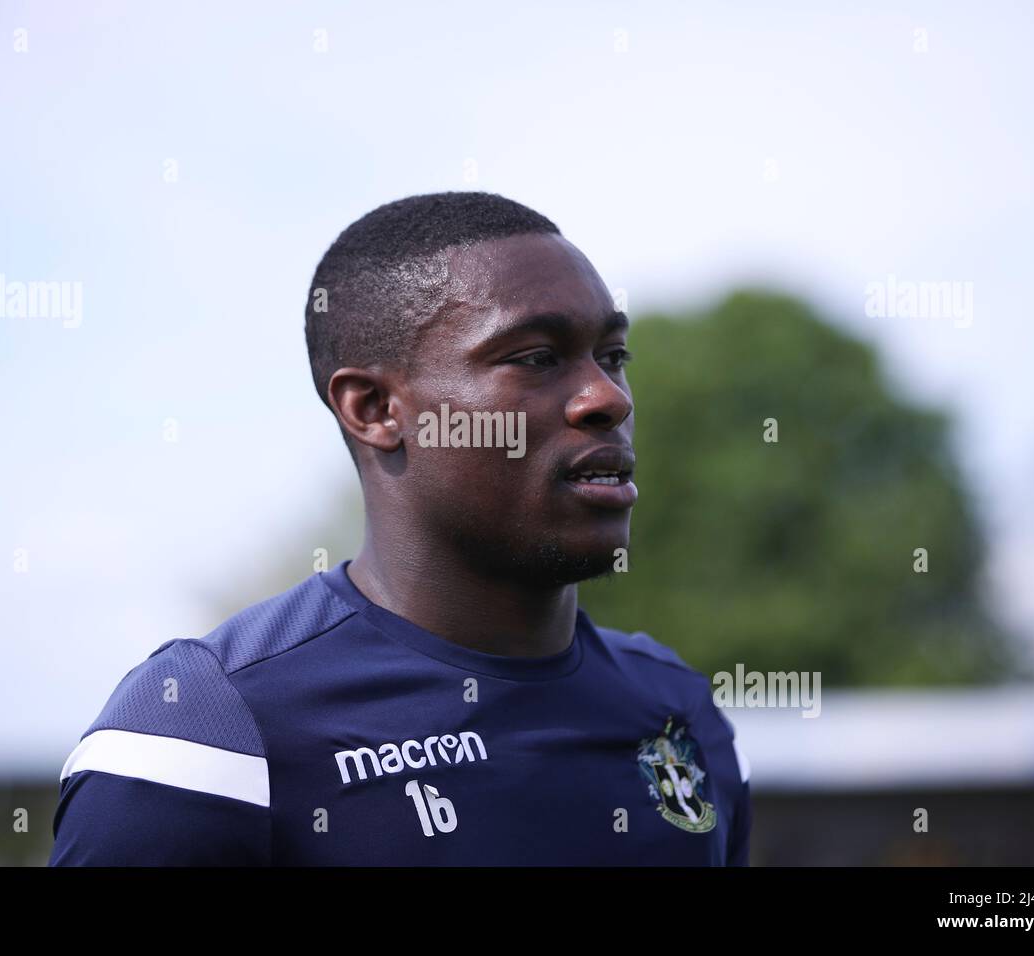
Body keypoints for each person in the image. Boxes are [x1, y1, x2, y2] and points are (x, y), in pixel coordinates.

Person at [49, 191, 751, 865]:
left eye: (614, 357)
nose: (607, 397)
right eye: (536, 358)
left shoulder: (678, 712)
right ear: (376, 409)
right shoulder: (206, 735)